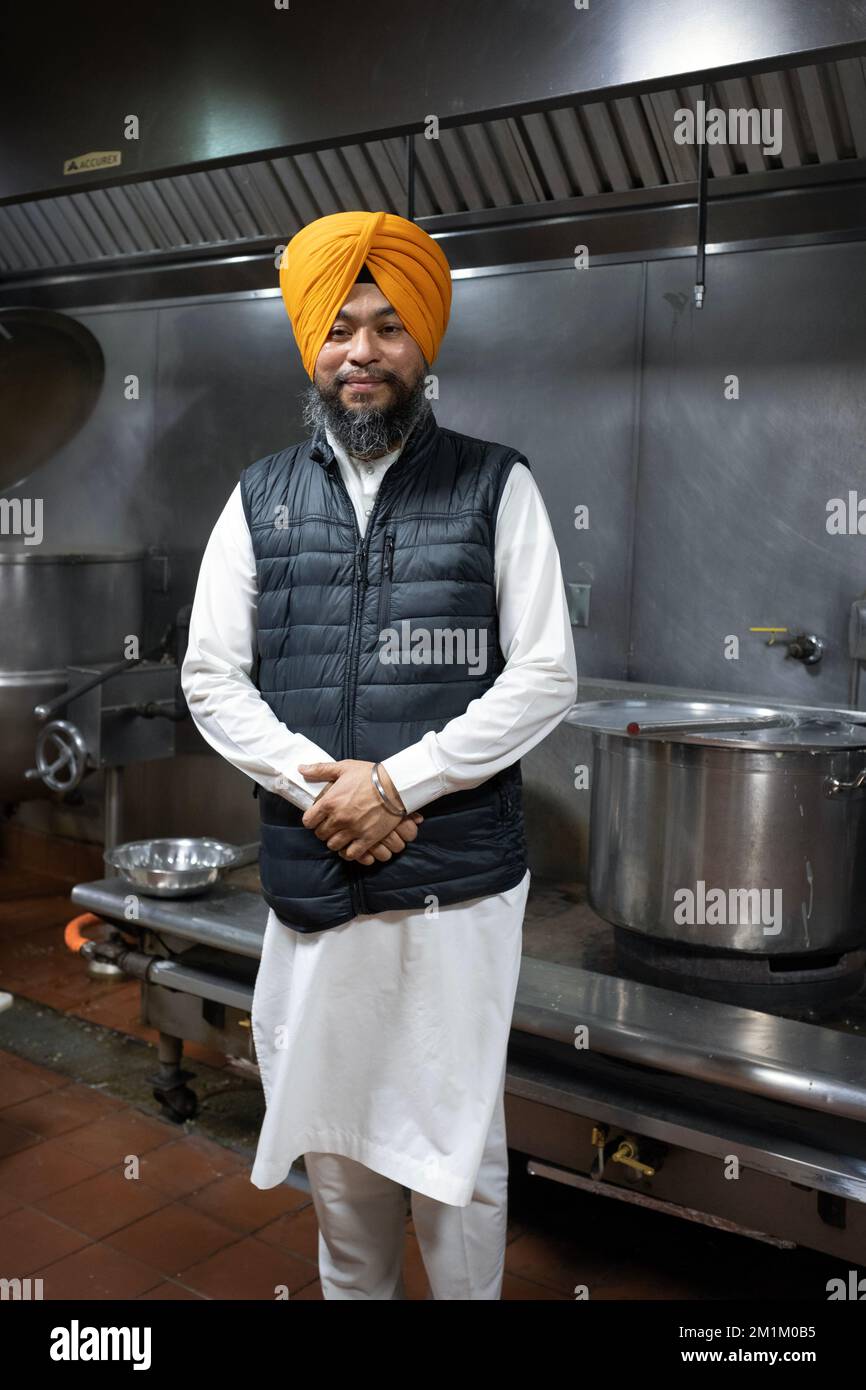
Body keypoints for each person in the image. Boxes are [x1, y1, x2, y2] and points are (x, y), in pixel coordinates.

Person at [181, 208, 577, 1299]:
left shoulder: (498, 484)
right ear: (311, 345)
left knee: (456, 1160)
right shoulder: (258, 495)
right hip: (318, 872)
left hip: (452, 889)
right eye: (341, 328)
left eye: (389, 327)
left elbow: (543, 673)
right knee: (339, 1147)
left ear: (423, 345)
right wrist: (329, 789)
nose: (362, 352)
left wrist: (397, 783)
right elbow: (210, 675)